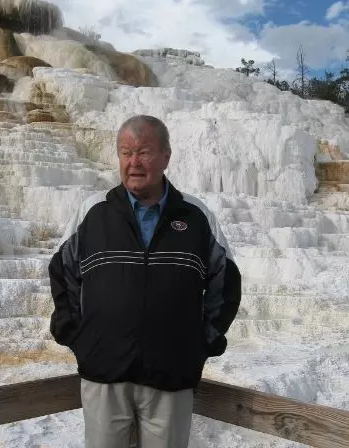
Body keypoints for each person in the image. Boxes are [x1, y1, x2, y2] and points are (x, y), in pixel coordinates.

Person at [49, 115, 242, 448]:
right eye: (126, 153)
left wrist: (200, 345)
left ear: (166, 156)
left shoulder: (196, 217)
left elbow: (226, 284)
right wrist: (81, 340)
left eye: (144, 152)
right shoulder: (92, 212)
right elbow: (63, 276)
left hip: (171, 377)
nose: (133, 163)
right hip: (103, 375)